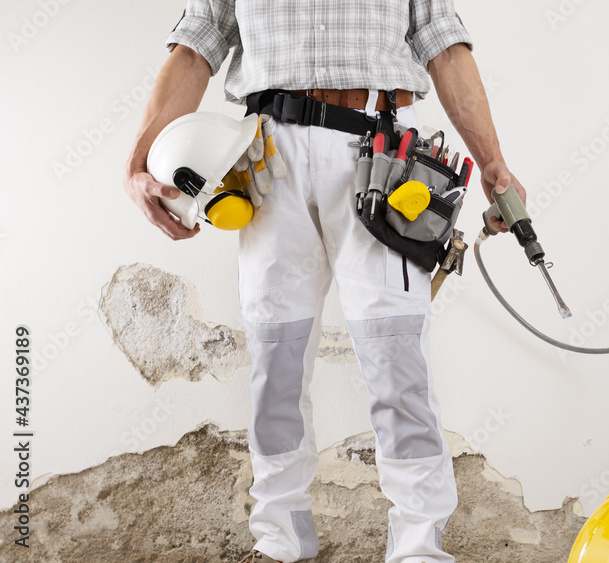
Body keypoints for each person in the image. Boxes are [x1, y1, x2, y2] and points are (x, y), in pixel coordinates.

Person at [122, 2, 527, 562]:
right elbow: (196, 47)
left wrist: (492, 161)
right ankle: (280, 534)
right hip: (265, 158)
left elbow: (443, 44)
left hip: (377, 155)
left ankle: (418, 544)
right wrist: (139, 163)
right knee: (276, 361)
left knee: (396, 359)